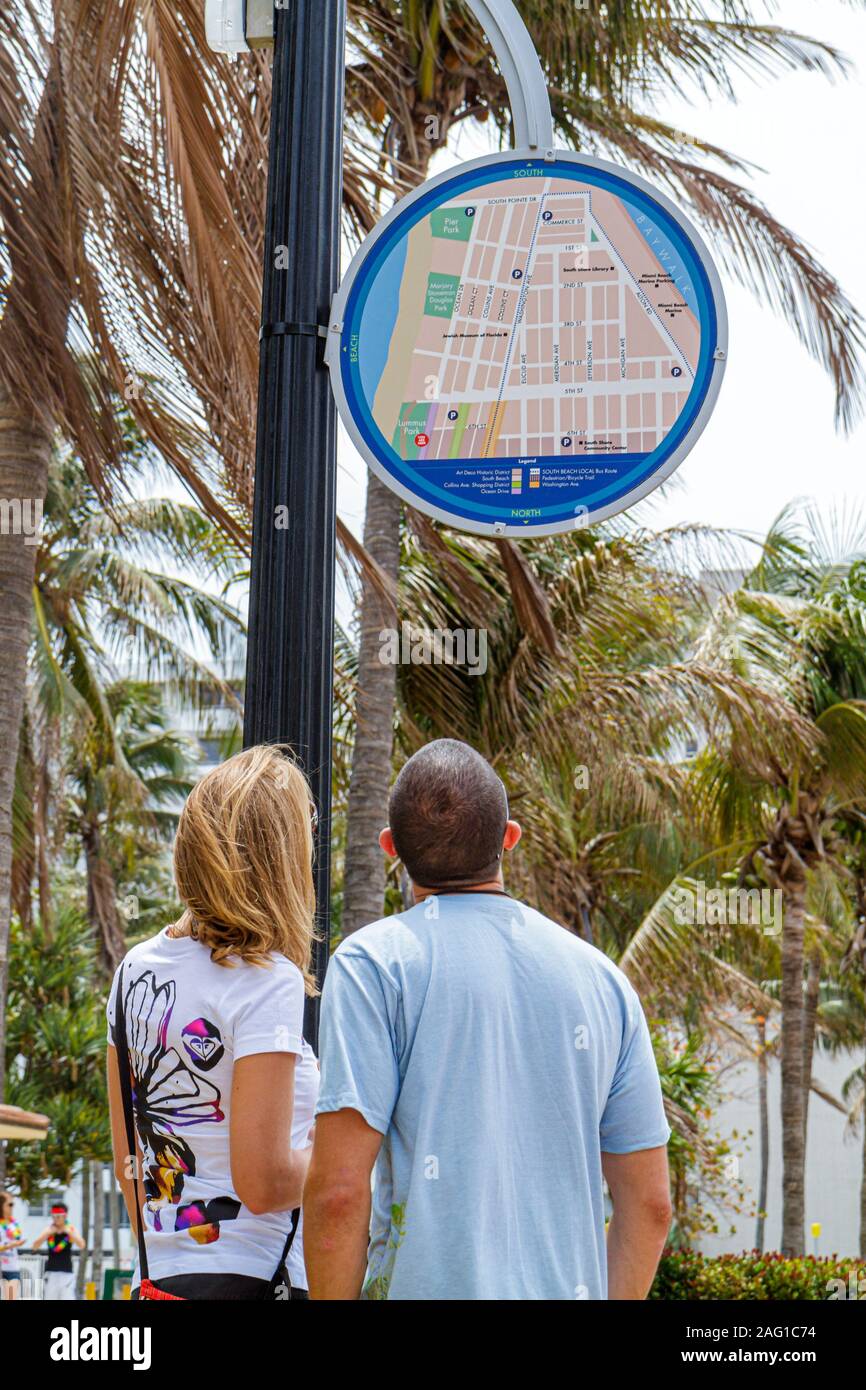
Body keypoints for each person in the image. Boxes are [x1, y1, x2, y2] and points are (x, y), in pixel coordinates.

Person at [304, 738, 672, 1301]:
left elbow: (338, 1192)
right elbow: (649, 1206)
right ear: (509, 839)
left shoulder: (374, 965)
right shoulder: (604, 983)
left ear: (390, 848)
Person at [106, 745, 319, 1300]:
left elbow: (130, 1156)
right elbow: (265, 1181)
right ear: (279, 859)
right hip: (253, 1275)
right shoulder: (267, 978)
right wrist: (343, 1160)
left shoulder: (136, 970)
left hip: (157, 1282)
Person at [32, 1202, 85, 1300]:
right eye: (54, 1217)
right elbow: (34, 1246)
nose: (56, 1219)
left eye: (58, 1217)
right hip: (51, 1272)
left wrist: (68, 1232)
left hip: (67, 1273)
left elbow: (82, 1245)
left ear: (65, 1216)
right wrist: (47, 1234)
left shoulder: (71, 1230)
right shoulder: (49, 1229)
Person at [0, 1191, 25, 1299]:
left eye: (13, 1204)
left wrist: (16, 1243)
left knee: (11, 1298)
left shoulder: (13, 1223)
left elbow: (18, 1238)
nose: (12, 1207)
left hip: (12, 1267)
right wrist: (10, 1245)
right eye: (10, 1204)